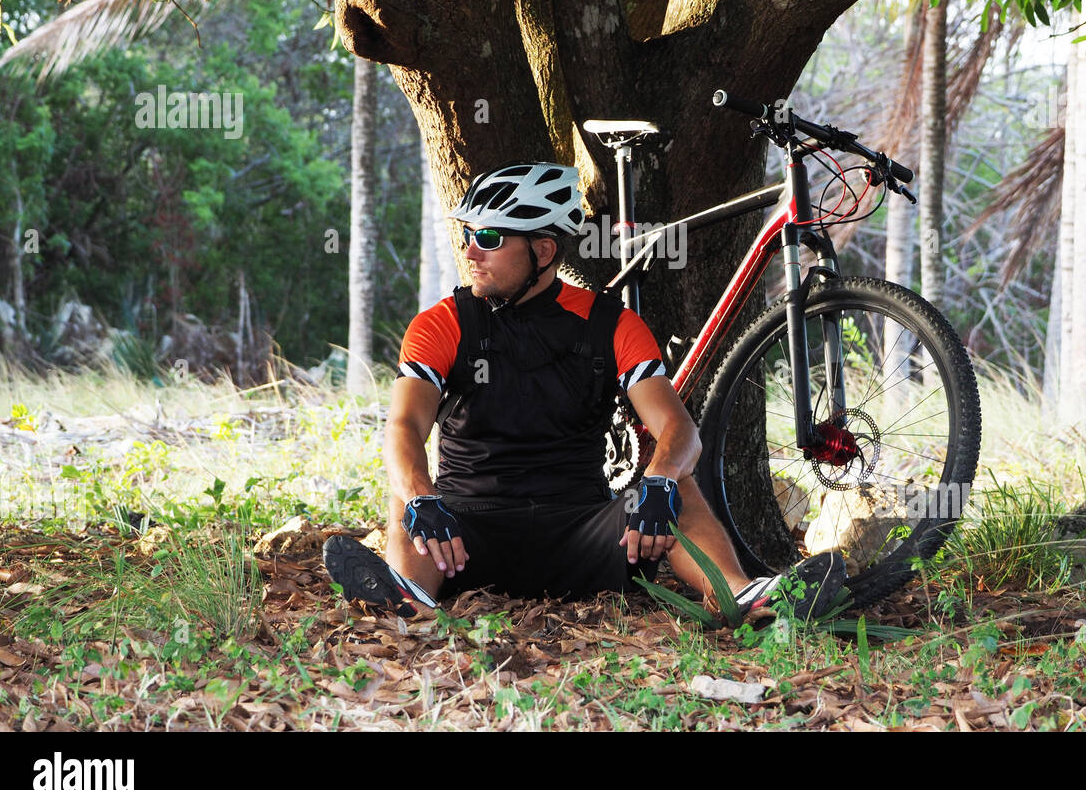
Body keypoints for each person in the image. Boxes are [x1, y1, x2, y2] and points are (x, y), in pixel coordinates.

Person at [324, 162, 845, 619]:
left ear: (543, 249)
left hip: (584, 536)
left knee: (670, 484)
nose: (469, 251)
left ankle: (744, 599)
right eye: (468, 235)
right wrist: (422, 498)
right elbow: (404, 426)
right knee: (406, 487)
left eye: (487, 238)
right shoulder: (442, 324)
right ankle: (409, 598)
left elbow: (677, 428)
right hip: (464, 538)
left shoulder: (611, 324)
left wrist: (660, 480)